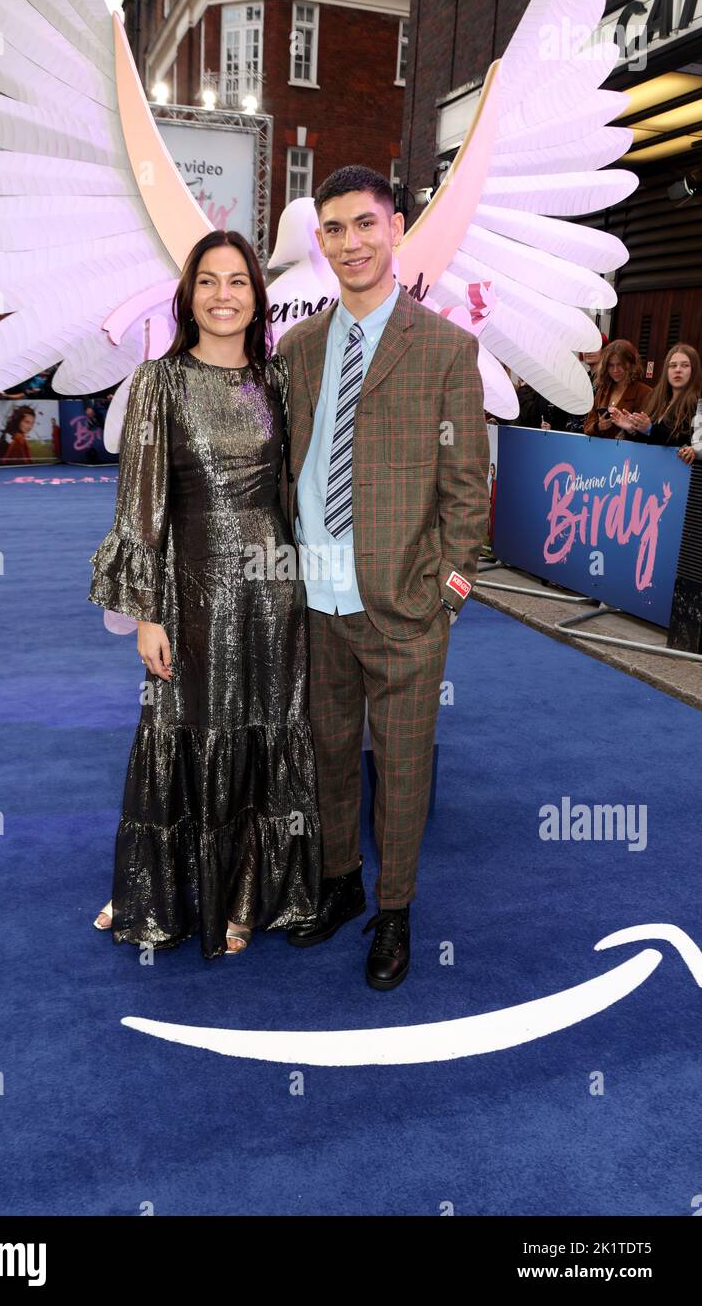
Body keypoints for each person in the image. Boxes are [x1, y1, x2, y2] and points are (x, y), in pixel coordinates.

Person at [277, 165, 489, 991]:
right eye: (333, 228)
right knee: (328, 753)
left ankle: (393, 912)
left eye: (364, 223)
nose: (350, 242)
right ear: (320, 240)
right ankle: (339, 884)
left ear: (395, 228)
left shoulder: (443, 348)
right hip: (314, 600)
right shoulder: (296, 350)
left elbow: (467, 489)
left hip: (404, 606)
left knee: (401, 769)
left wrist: (445, 594)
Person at [88, 229, 321, 958]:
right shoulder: (158, 380)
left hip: (271, 589)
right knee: (181, 725)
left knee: (263, 727)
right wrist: (146, 612)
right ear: (188, 295)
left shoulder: (277, 380)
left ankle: (248, 892)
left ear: (258, 297)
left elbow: (303, 484)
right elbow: (138, 507)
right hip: (189, 592)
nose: (223, 295)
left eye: (238, 282)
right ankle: (162, 886)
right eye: (208, 281)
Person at [611, 344, 702, 453]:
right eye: (673, 365)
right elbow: (648, 441)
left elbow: (687, 443)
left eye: (685, 365)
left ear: (694, 370)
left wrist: (650, 429)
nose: (678, 370)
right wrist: (632, 429)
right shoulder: (656, 398)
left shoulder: (698, 402)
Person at [583, 339, 650, 440]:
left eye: (620, 364)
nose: (615, 370)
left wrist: (629, 430)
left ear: (631, 364)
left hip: (629, 454)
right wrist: (598, 426)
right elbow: (587, 427)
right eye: (611, 365)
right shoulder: (603, 391)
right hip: (602, 451)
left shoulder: (644, 392)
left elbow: (650, 434)